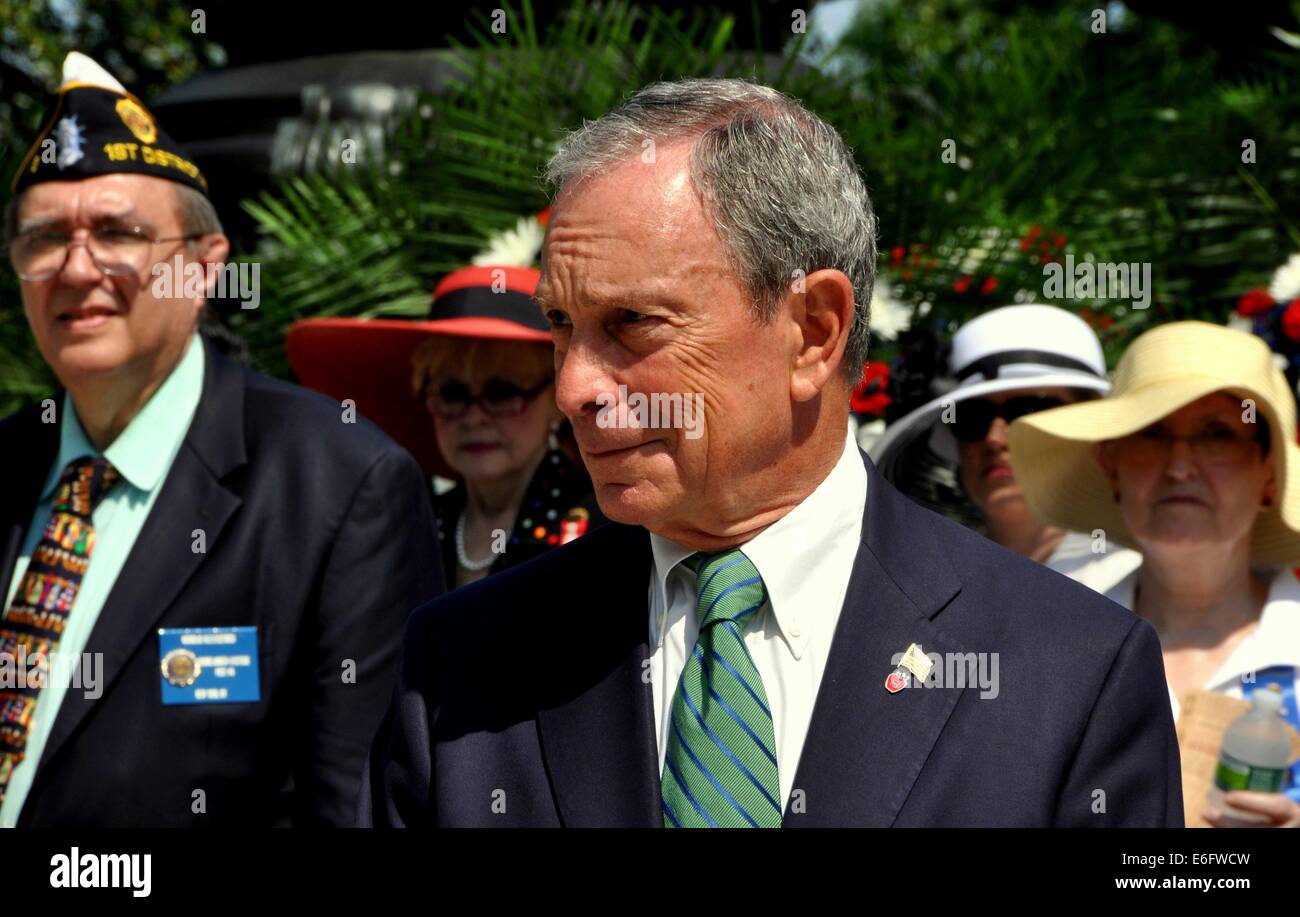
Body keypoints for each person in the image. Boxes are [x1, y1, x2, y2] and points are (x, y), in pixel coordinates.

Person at [360, 78, 1181, 828]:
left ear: (812, 332)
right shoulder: (463, 665)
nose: (574, 388)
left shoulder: (1067, 670)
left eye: (632, 325)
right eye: (563, 327)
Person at [0, 52, 443, 826]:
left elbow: (359, 809)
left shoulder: (339, 486)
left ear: (203, 269)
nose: (76, 267)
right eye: (44, 239)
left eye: (117, 232)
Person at [1010, 320, 1300, 828]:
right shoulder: (1048, 647)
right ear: (1111, 464)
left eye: (1217, 435)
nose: (1180, 466)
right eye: (1153, 433)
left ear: (1269, 476)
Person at [287, 265, 604, 588]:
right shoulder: (406, 525)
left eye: (501, 393)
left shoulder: (599, 525)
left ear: (556, 400)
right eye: (452, 394)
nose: (474, 417)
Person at [871, 304, 1140, 591]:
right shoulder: (924, 585)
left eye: (1028, 412)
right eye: (973, 417)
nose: (995, 438)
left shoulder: (1138, 582)